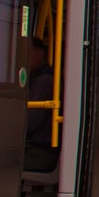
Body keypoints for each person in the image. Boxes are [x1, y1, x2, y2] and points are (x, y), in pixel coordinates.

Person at [24, 38, 58, 172]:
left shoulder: (44, 82)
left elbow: (30, 123)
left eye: (28, 51)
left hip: (40, 153)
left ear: (40, 53)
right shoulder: (41, 78)